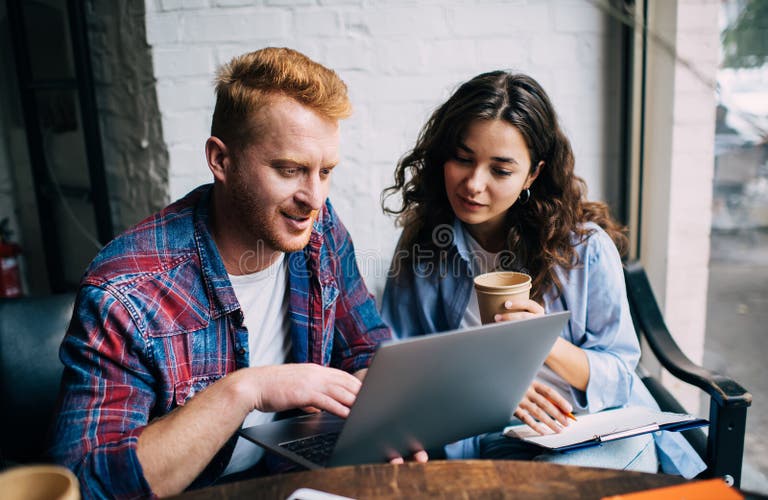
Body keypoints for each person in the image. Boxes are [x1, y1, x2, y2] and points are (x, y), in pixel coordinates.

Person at [50, 47, 424, 499]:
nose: (314, 196)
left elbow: (365, 345)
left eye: (325, 172)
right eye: (290, 170)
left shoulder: (318, 229)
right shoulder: (125, 291)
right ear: (221, 160)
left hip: (296, 481)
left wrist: (376, 397)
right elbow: (88, 482)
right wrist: (246, 390)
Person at [380, 71, 706, 478]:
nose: (474, 184)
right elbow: (397, 368)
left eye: (500, 170)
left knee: (565, 476)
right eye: (463, 158)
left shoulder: (584, 248)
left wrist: (543, 341)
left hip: (590, 432)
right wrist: (489, 392)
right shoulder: (424, 246)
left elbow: (620, 375)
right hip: (484, 440)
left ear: (532, 174)